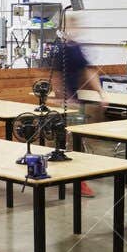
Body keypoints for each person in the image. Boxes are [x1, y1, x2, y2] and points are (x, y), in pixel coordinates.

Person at [53, 12, 101, 198]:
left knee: (74, 142)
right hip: (67, 103)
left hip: (75, 101)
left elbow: (88, 71)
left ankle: (72, 179)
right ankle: (77, 182)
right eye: (73, 25)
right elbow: (56, 77)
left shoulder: (76, 48)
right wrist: (63, 98)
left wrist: (101, 92)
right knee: (70, 143)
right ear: (66, 28)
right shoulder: (62, 49)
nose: (76, 28)